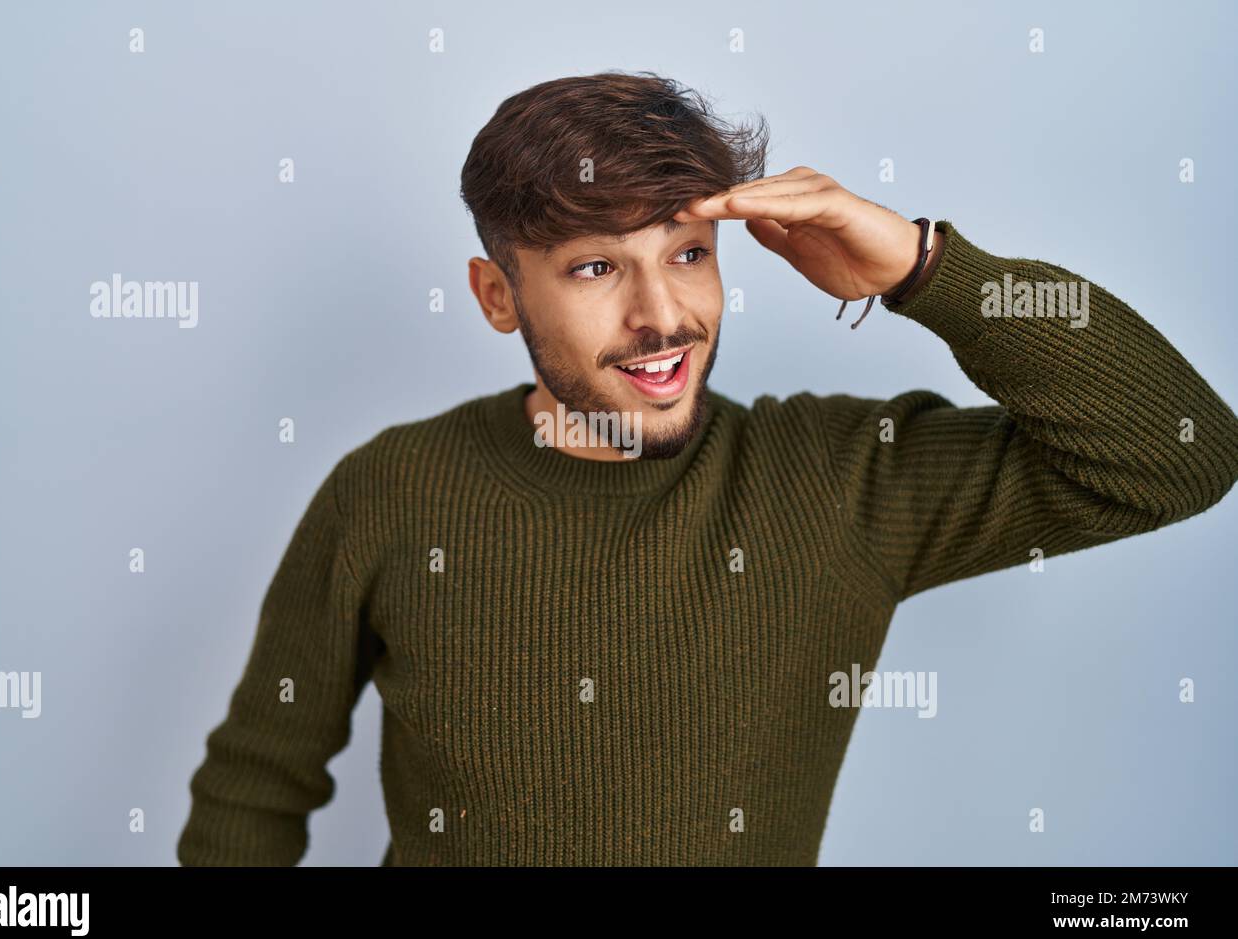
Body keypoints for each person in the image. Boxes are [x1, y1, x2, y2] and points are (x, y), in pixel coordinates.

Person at [177, 70, 1238, 866]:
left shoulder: (837, 481)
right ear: (497, 296)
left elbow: (1176, 453)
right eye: (597, 267)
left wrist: (926, 267)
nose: (662, 316)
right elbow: (257, 783)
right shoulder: (392, 490)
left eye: (687, 252)